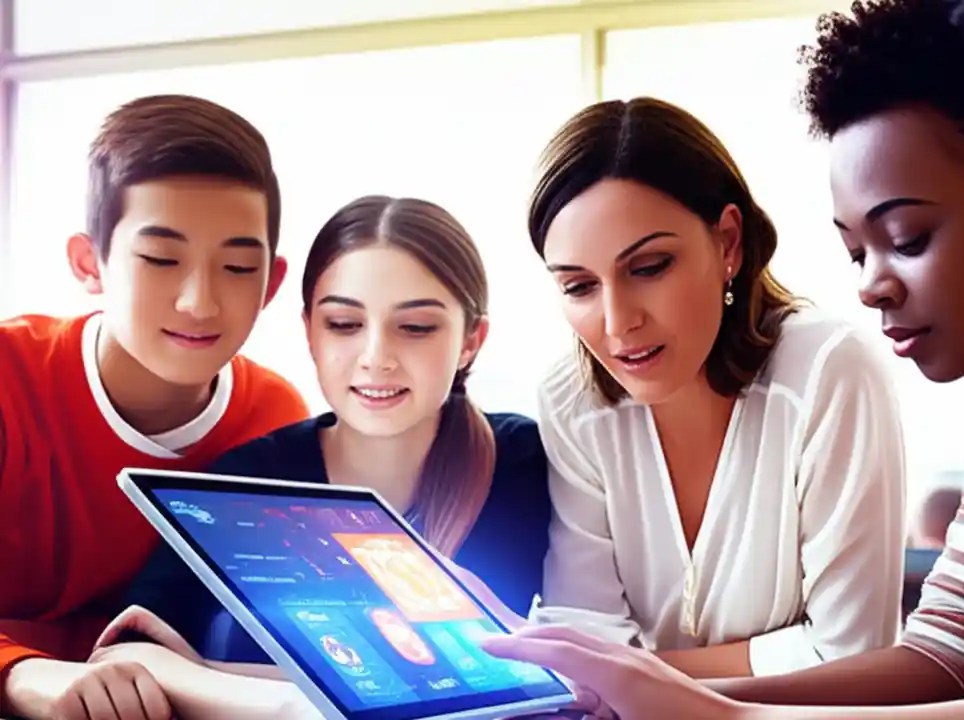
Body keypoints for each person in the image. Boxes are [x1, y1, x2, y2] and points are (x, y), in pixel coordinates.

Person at [483, 1, 964, 718]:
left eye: (906, 238)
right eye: (856, 249)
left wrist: (719, 714)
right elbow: (954, 655)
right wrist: (667, 699)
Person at [526, 96, 909, 679]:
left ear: (728, 243)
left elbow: (852, 657)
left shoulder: (829, 372)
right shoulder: (571, 402)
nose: (616, 322)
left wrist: (640, 675)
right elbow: (585, 636)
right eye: (579, 286)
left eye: (649, 267)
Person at [124, 195, 552, 663]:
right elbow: (132, 652)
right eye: (344, 324)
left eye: (415, 327)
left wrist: (215, 676)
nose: (376, 357)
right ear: (310, 331)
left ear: (471, 340)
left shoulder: (527, 463)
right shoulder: (246, 483)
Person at [0, 94, 310, 720]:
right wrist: (27, 678)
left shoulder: (276, 419)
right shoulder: (10, 377)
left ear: (271, 284)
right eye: (161, 259)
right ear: (91, 263)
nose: (200, 301)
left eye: (237, 266)